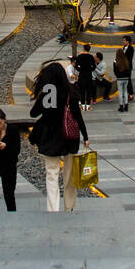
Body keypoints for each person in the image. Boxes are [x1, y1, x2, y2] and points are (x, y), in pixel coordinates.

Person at [27, 62, 89, 212]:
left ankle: (53, 208)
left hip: (51, 138)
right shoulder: (71, 92)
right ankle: (69, 206)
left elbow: (33, 113)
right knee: (69, 175)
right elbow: (78, 116)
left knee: (52, 173)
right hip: (70, 137)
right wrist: (85, 136)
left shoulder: (48, 93)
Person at [72, 44, 96, 110]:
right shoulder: (91, 57)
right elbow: (94, 66)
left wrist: (80, 69)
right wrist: (89, 70)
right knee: (88, 90)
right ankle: (88, 106)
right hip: (88, 75)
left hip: (82, 74)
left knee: (81, 90)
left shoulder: (79, 56)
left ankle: (82, 105)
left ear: (84, 48)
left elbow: (76, 66)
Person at [113, 39, 133, 113]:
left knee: (120, 92)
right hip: (126, 78)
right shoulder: (126, 60)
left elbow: (114, 70)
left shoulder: (115, 61)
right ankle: (126, 105)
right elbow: (128, 69)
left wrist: (117, 75)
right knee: (125, 92)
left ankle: (121, 106)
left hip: (119, 79)